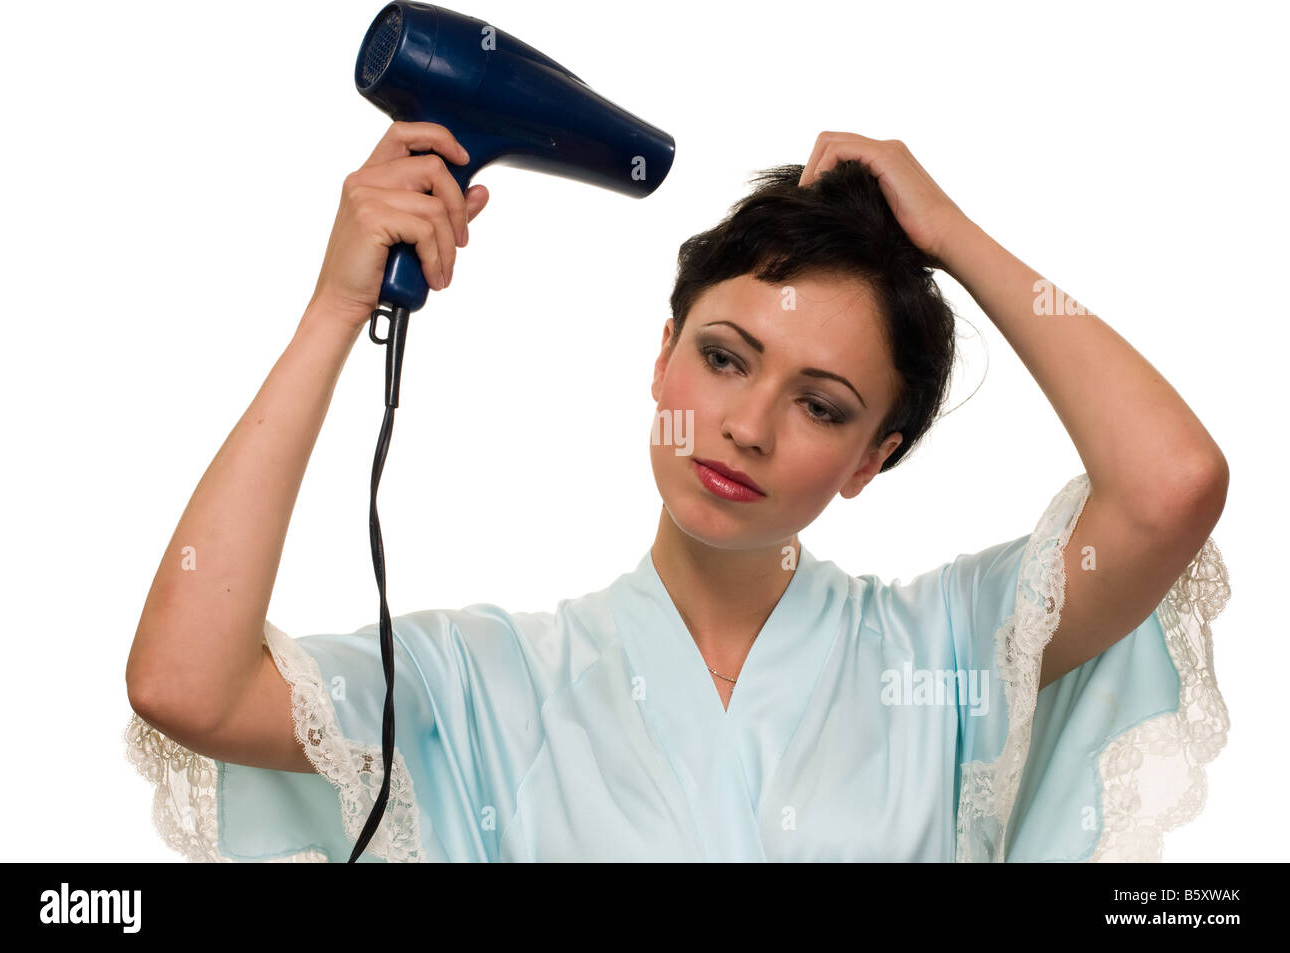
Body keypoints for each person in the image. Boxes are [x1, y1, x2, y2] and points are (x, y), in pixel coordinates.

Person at [124, 122, 1231, 862]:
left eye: (823, 404)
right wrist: (334, 307)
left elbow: (1171, 484)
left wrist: (951, 237)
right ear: (662, 357)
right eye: (724, 356)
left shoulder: (944, 658)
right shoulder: (482, 688)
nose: (746, 426)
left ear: (870, 460)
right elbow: (186, 683)